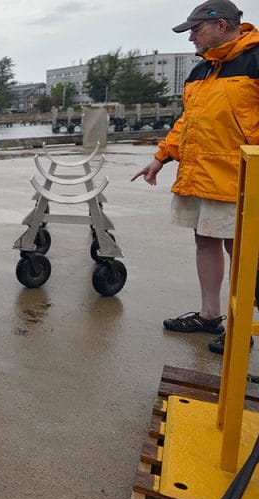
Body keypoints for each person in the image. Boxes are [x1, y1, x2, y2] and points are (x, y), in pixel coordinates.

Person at [132, 0, 259, 354]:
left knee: (243, 251)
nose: (191, 38)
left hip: (239, 175)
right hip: (201, 172)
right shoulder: (201, 72)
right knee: (205, 240)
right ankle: (209, 315)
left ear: (221, 25)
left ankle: (242, 325)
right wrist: (161, 157)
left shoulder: (254, 60)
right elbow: (187, 122)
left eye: (195, 30)